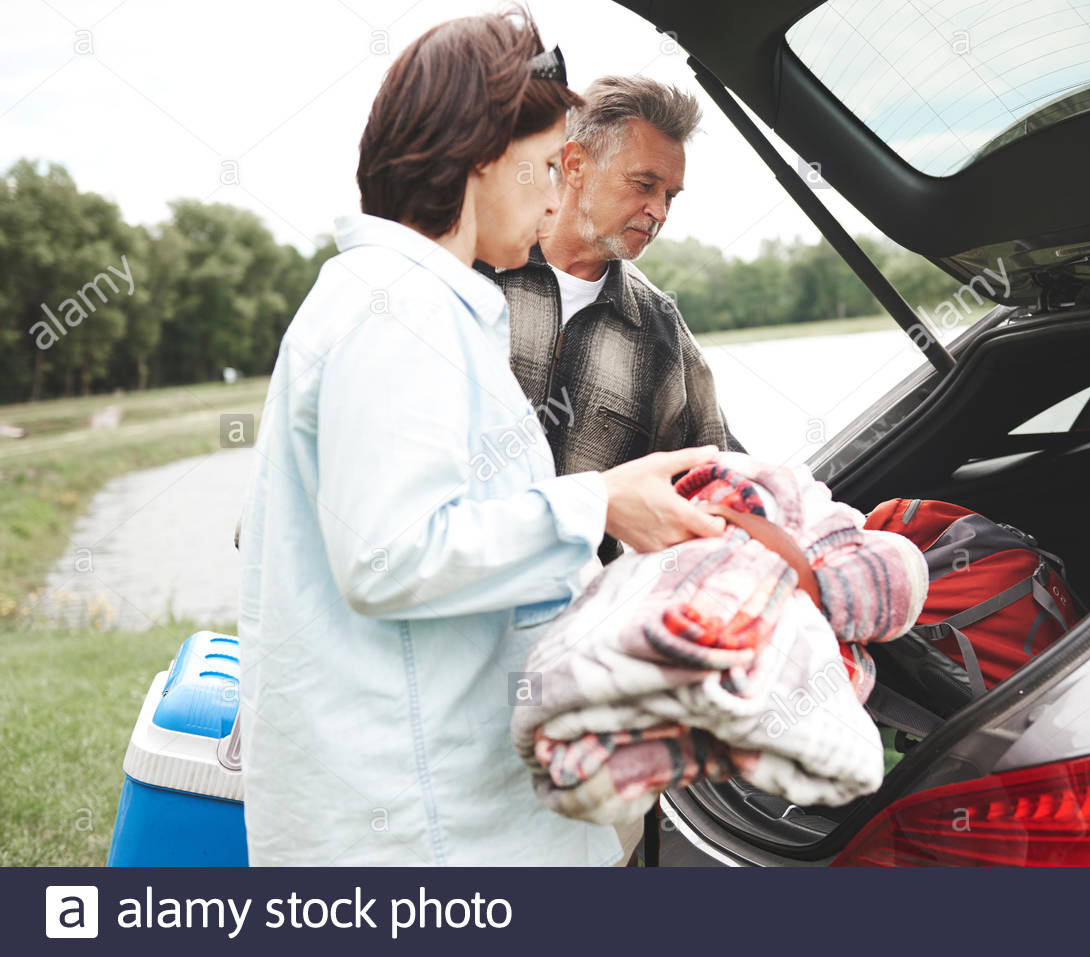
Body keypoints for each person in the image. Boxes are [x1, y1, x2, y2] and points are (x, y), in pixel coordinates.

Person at [236, 10, 724, 867]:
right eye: (542, 166)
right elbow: (390, 553)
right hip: (419, 835)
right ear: (482, 158)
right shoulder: (396, 313)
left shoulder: (415, 301)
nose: (549, 195)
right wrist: (598, 501)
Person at [479, 76, 743, 564]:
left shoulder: (662, 334)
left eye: (671, 195)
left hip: (576, 623)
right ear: (574, 164)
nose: (659, 211)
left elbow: (720, 488)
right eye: (644, 184)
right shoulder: (473, 273)